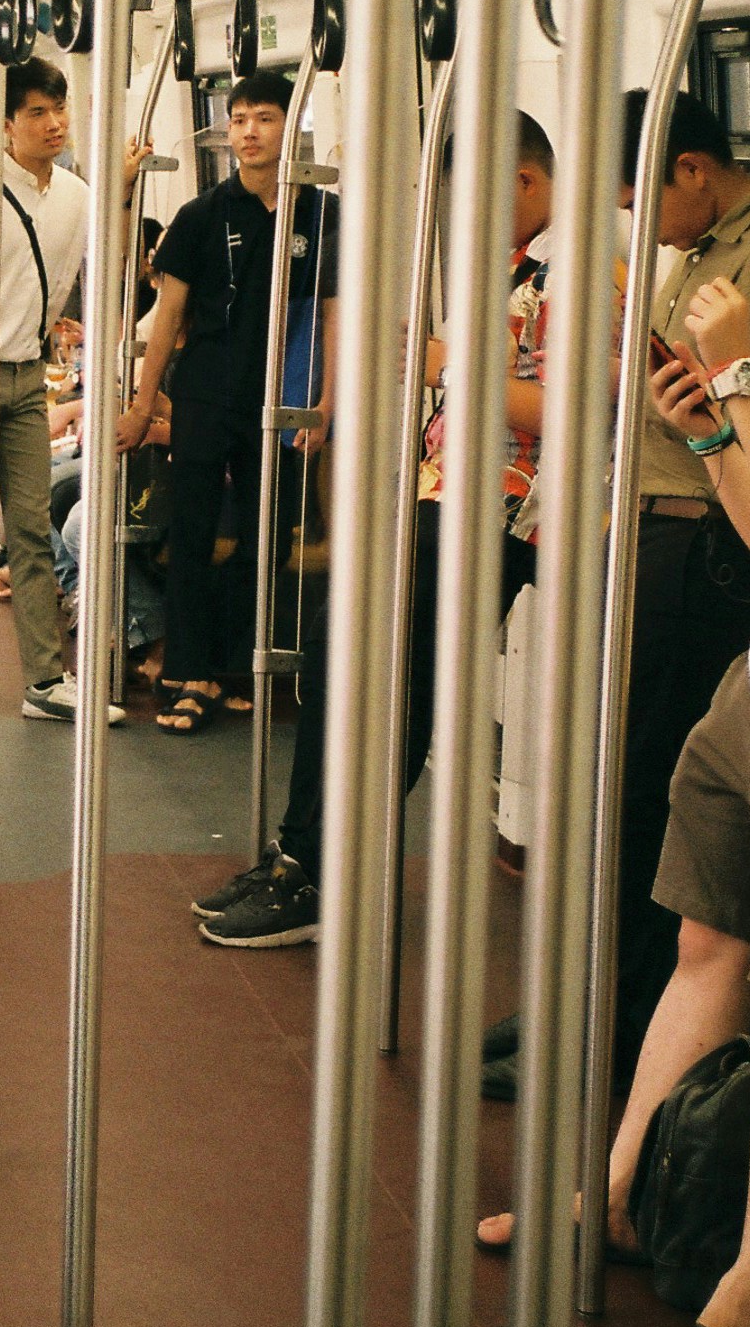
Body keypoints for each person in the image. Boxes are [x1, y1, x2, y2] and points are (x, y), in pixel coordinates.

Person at [479, 265, 750, 1327]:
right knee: (706, 946)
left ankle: (747, 1288)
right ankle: (625, 1192)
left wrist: (736, 373)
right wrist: (710, 434)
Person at [194, 113, 563, 950]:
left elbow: (574, 406)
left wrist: (447, 365)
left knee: (389, 673)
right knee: (338, 648)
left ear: (525, 180)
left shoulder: (581, 273)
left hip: (503, 508)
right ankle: (302, 852)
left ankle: (331, 873)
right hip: (447, 489)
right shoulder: (513, 265)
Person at [483, 88, 750, 1102]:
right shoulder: (699, 253)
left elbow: (743, 400)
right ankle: (598, 1007)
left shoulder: (749, 257)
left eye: (645, 198)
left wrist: (724, 375)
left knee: (651, 805)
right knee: (621, 792)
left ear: (694, 168)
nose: (642, 223)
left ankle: (623, 1040)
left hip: (708, 545)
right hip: (656, 524)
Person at [118, 72, 336, 737]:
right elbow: (169, 316)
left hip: (282, 399)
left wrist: (327, 403)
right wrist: (143, 402)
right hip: (207, 391)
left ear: (289, 128)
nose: (248, 131)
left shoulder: (322, 213)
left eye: (263, 118)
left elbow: (335, 315)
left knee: (269, 535)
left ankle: (219, 664)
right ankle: (190, 674)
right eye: (238, 119)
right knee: (191, 531)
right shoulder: (201, 215)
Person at [0, 55, 110, 725]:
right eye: (37, 112)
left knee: (31, 528)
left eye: (59, 109)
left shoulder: (78, 196)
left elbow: (86, 272)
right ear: (4, 124)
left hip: (28, 374)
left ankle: (44, 679)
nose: (53, 123)